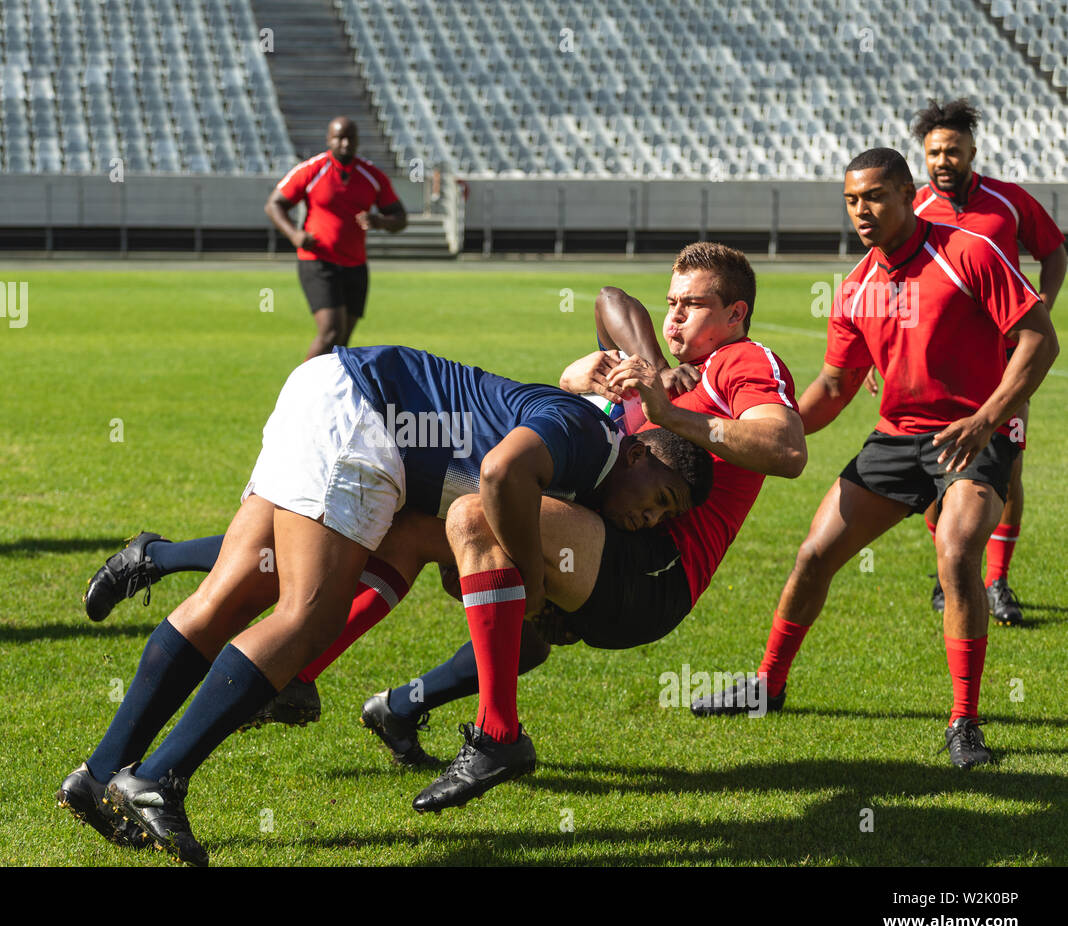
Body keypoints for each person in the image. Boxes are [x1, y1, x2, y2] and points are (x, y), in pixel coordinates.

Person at [77, 244, 809, 803]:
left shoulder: (743, 360)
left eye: (694, 306)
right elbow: (611, 300)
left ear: (737, 313)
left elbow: (784, 446)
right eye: (673, 302)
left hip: (657, 568)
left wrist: (672, 407)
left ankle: (496, 737)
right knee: (413, 535)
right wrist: (629, 368)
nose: (677, 317)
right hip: (587, 524)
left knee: (476, 518)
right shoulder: (656, 378)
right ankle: (354, 691)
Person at [58, 343, 710, 865]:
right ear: (636, 450)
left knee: (234, 591)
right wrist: (534, 583)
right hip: (363, 416)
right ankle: (158, 782)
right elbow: (502, 472)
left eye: (662, 518)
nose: (649, 518)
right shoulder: (593, 440)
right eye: (660, 497)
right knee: (307, 614)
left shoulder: (584, 444)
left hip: (333, 387)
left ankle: (102, 771)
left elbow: (434, 524)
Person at [693, 149, 1058, 772]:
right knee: (813, 554)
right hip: (897, 441)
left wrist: (988, 418)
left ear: (908, 195)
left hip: (973, 434)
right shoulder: (857, 286)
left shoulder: (967, 252)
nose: (863, 211)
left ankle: (964, 721)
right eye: (852, 200)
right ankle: (767, 686)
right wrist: (766, 434)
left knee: (957, 552)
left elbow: (1039, 340)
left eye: (876, 197)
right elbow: (835, 386)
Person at [863, 99, 1065, 624]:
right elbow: (881, 282)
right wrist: (871, 350)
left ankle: (995, 579)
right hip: (937, 368)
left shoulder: (1009, 201)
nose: (942, 160)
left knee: (1007, 470)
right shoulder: (914, 210)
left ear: (972, 151)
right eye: (933, 153)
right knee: (938, 469)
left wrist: (1043, 304)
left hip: (1006, 360)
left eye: (952, 151)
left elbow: (1054, 250)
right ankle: (952, 568)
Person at [265, 116, 407, 360]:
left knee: (342, 341)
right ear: (328, 139)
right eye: (339, 137)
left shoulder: (372, 176)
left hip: (355, 264)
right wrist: (294, 234)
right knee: (331, 331)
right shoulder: (312, 170)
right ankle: (300, 391)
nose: (344, 143)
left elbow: (400, 217)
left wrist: (380, 221)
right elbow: (274, 205)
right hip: (318, 260)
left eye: (350, 138)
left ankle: (329, 393)